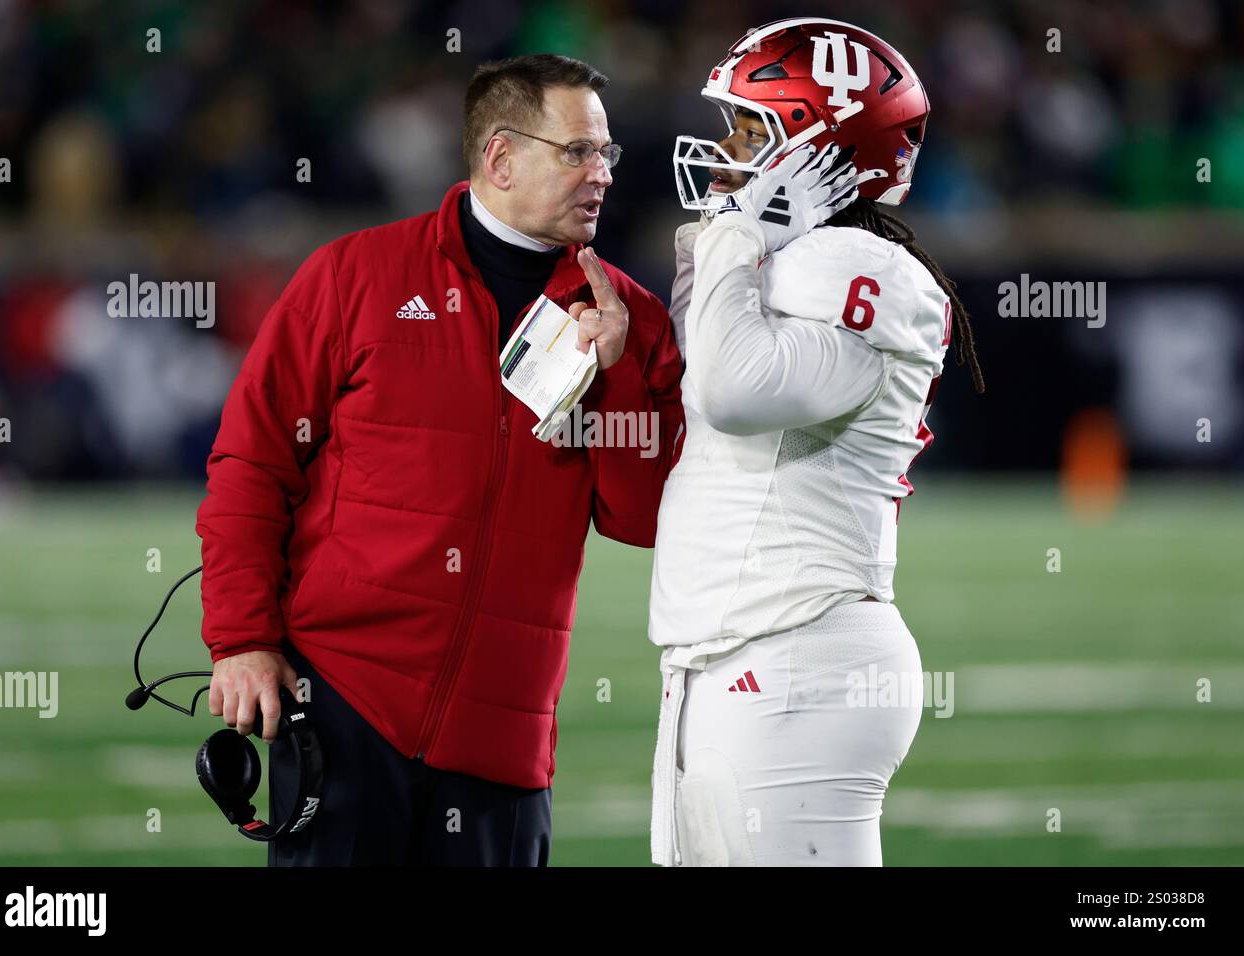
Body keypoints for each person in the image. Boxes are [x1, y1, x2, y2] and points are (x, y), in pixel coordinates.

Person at [195, 53, 685, 866]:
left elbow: (637, 520)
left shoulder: (631, 317)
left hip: (505, 728)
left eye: (608, 154)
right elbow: (252, 463)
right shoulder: (352, 277)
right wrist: (242, 640)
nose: (601, 173)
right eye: (577, 152)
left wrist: (620, 373)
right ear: (500, 157)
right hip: (343, 702)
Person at [651, 17, 985, 866]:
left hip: (794, 650)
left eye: (751, 126)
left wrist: (733, 233)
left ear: (817, 144)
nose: (726, 147)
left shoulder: (841, 260)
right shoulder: (802, 256)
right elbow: (707, 364)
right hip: (747, 651)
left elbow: (732, 389)